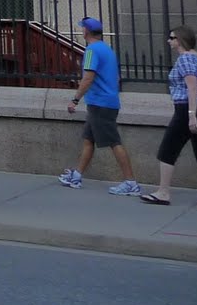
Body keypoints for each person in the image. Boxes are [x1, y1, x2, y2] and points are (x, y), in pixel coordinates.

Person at [60, 16, 141, 195]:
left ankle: (130, 182)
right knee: (89, 140)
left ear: (86, 31)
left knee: (114, 141)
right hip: (106, 101)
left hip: (100, 103)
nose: (81, 31)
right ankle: (77, 176)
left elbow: (88, 77)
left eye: (82, 29)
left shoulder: (91, 50)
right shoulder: (107, 48)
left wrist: (75, 99)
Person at [140, 26, 197, 206]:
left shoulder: (185, 59)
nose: (169, 41)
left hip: (187, 109)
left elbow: (192, 87)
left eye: (171, 38)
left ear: (180, 40)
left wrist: (191, 115)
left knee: (167, 150)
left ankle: (163, 192)